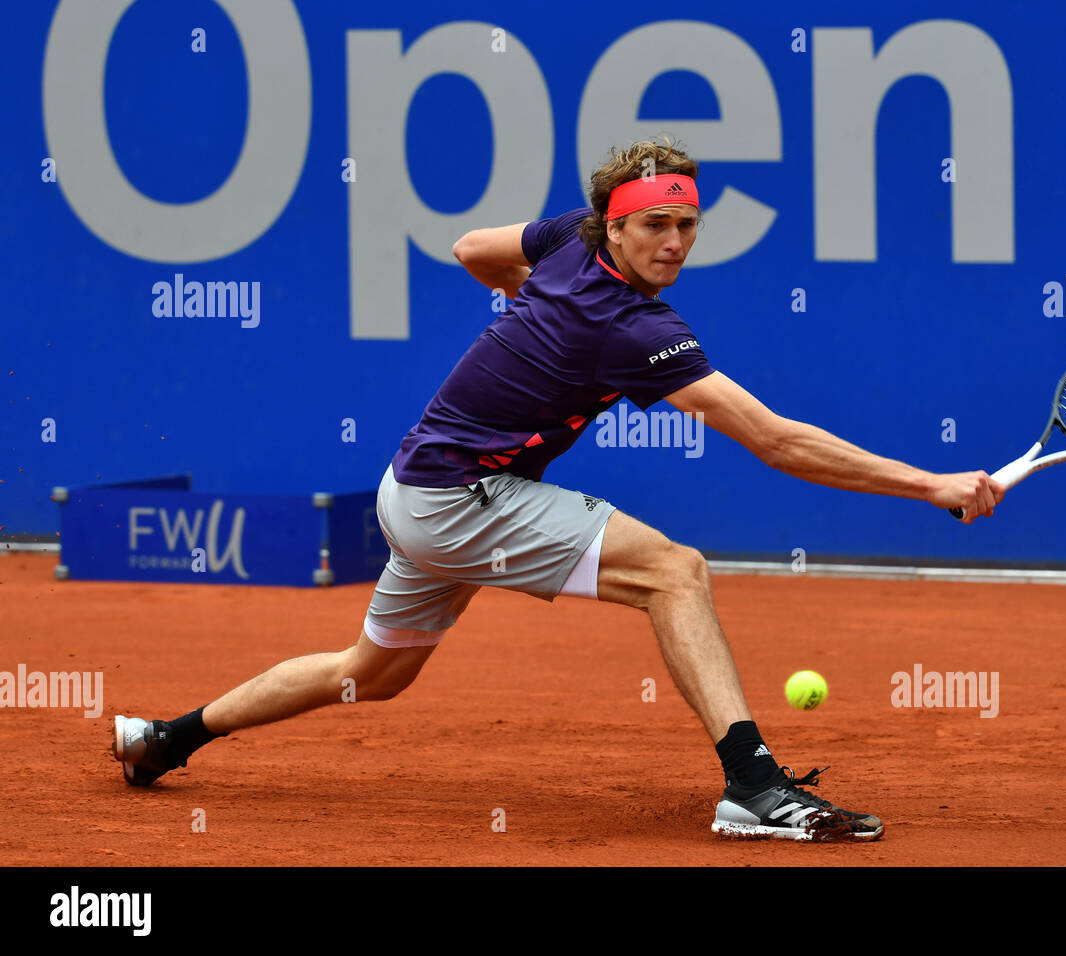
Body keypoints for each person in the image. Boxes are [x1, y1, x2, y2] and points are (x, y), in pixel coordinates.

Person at [113, 137, 1003, 842]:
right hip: (459, 498)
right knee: (676, 571)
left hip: (413, 490)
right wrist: (932, 485)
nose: (674, 243)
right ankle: (753, 787)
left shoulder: (568, 240)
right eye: (655, 226)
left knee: (368, 675)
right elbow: (774, 441)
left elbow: (470, 247)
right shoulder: (636, 327)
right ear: (613, 228)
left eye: (686, 226)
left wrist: (524, 294)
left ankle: (166, 737)